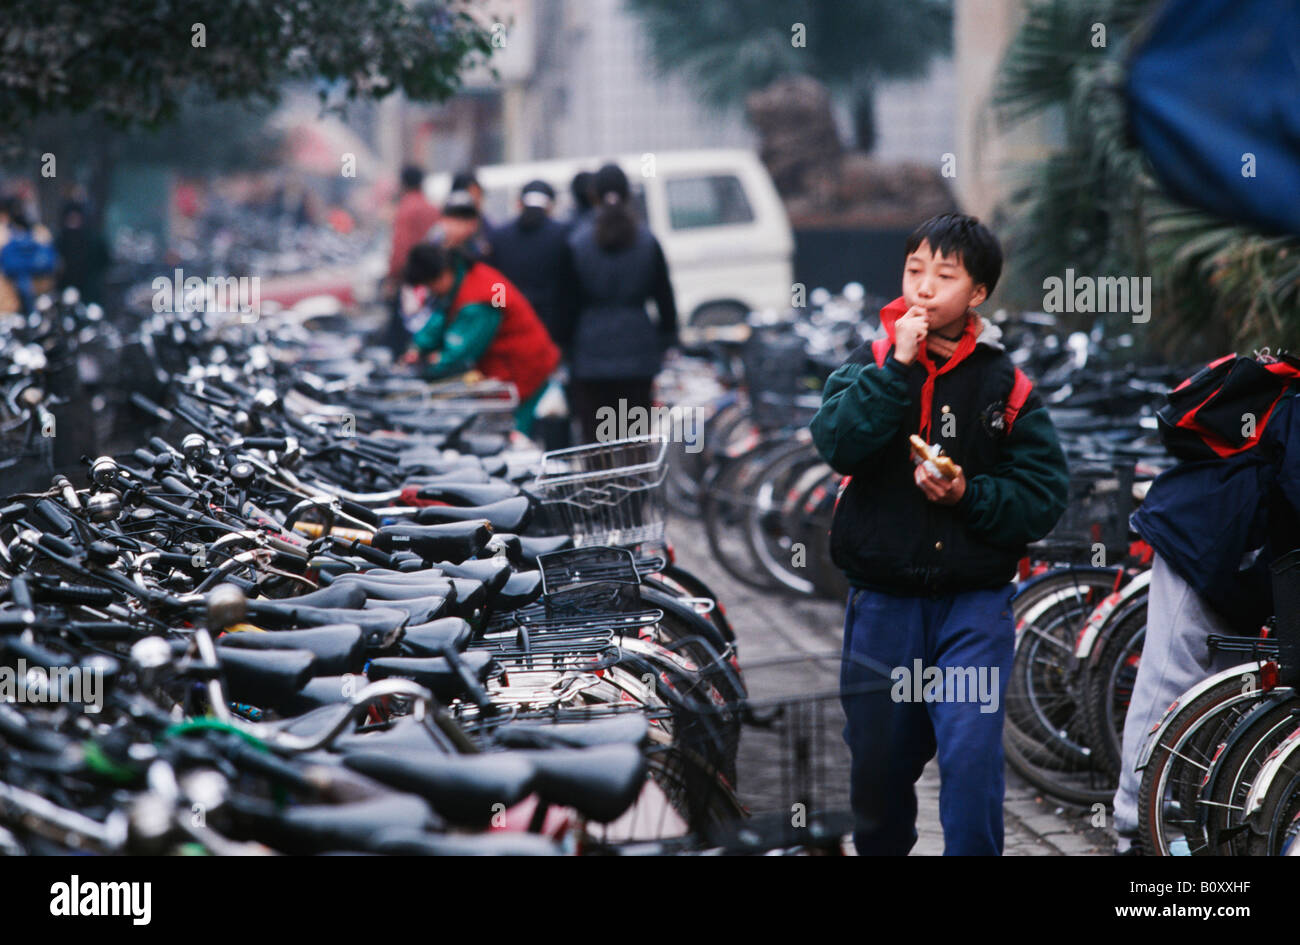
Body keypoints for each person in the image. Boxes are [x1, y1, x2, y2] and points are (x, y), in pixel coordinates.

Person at [809, 212, 1070, 855]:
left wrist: (967, 494)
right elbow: (839, 444)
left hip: (972, 605)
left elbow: (1042, 496)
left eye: (944, 275)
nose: (924, 288)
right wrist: (898, 370)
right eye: (914, 271)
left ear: (977, 293)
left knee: (971, 757)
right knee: (879, 766)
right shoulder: (869, 364)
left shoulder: (1005, 384)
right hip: (884, 603)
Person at [1112, 386, 1300, 854]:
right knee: (1168, 682)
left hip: (1241, 553)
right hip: (1200, 540)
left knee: (1224, 690)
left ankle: (1196, 820)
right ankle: (1131, 828)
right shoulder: (1297, 406)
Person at [561, 163, 678, 444]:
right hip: (638, 355)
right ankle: (634, 489)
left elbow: (565, 305)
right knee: (634, 441)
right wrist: (665, 342)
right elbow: (665, 300)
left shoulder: (577, 243)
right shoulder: (648, 241)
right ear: (627, 194)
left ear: (594, 195)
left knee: (596, 442)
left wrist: (567, 350)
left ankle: (601, 487)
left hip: (590, 357)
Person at [402, 243, 559, 435]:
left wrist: (430, 366)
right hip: (505, 366)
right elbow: (441, 318)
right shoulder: (463, 276)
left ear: (441, 275)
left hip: (521, 369)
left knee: (511, 439)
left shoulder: (480, 299)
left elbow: (460, 353)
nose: (430, 291)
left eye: (429, 285)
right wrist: (417, 347)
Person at [385, 165, 441, 355]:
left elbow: (400, 248)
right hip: (434, 280)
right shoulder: (431, 208)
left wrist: (392, 277)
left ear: (403, 184)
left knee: (402, 335)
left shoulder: (406, 208)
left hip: (411, 280)